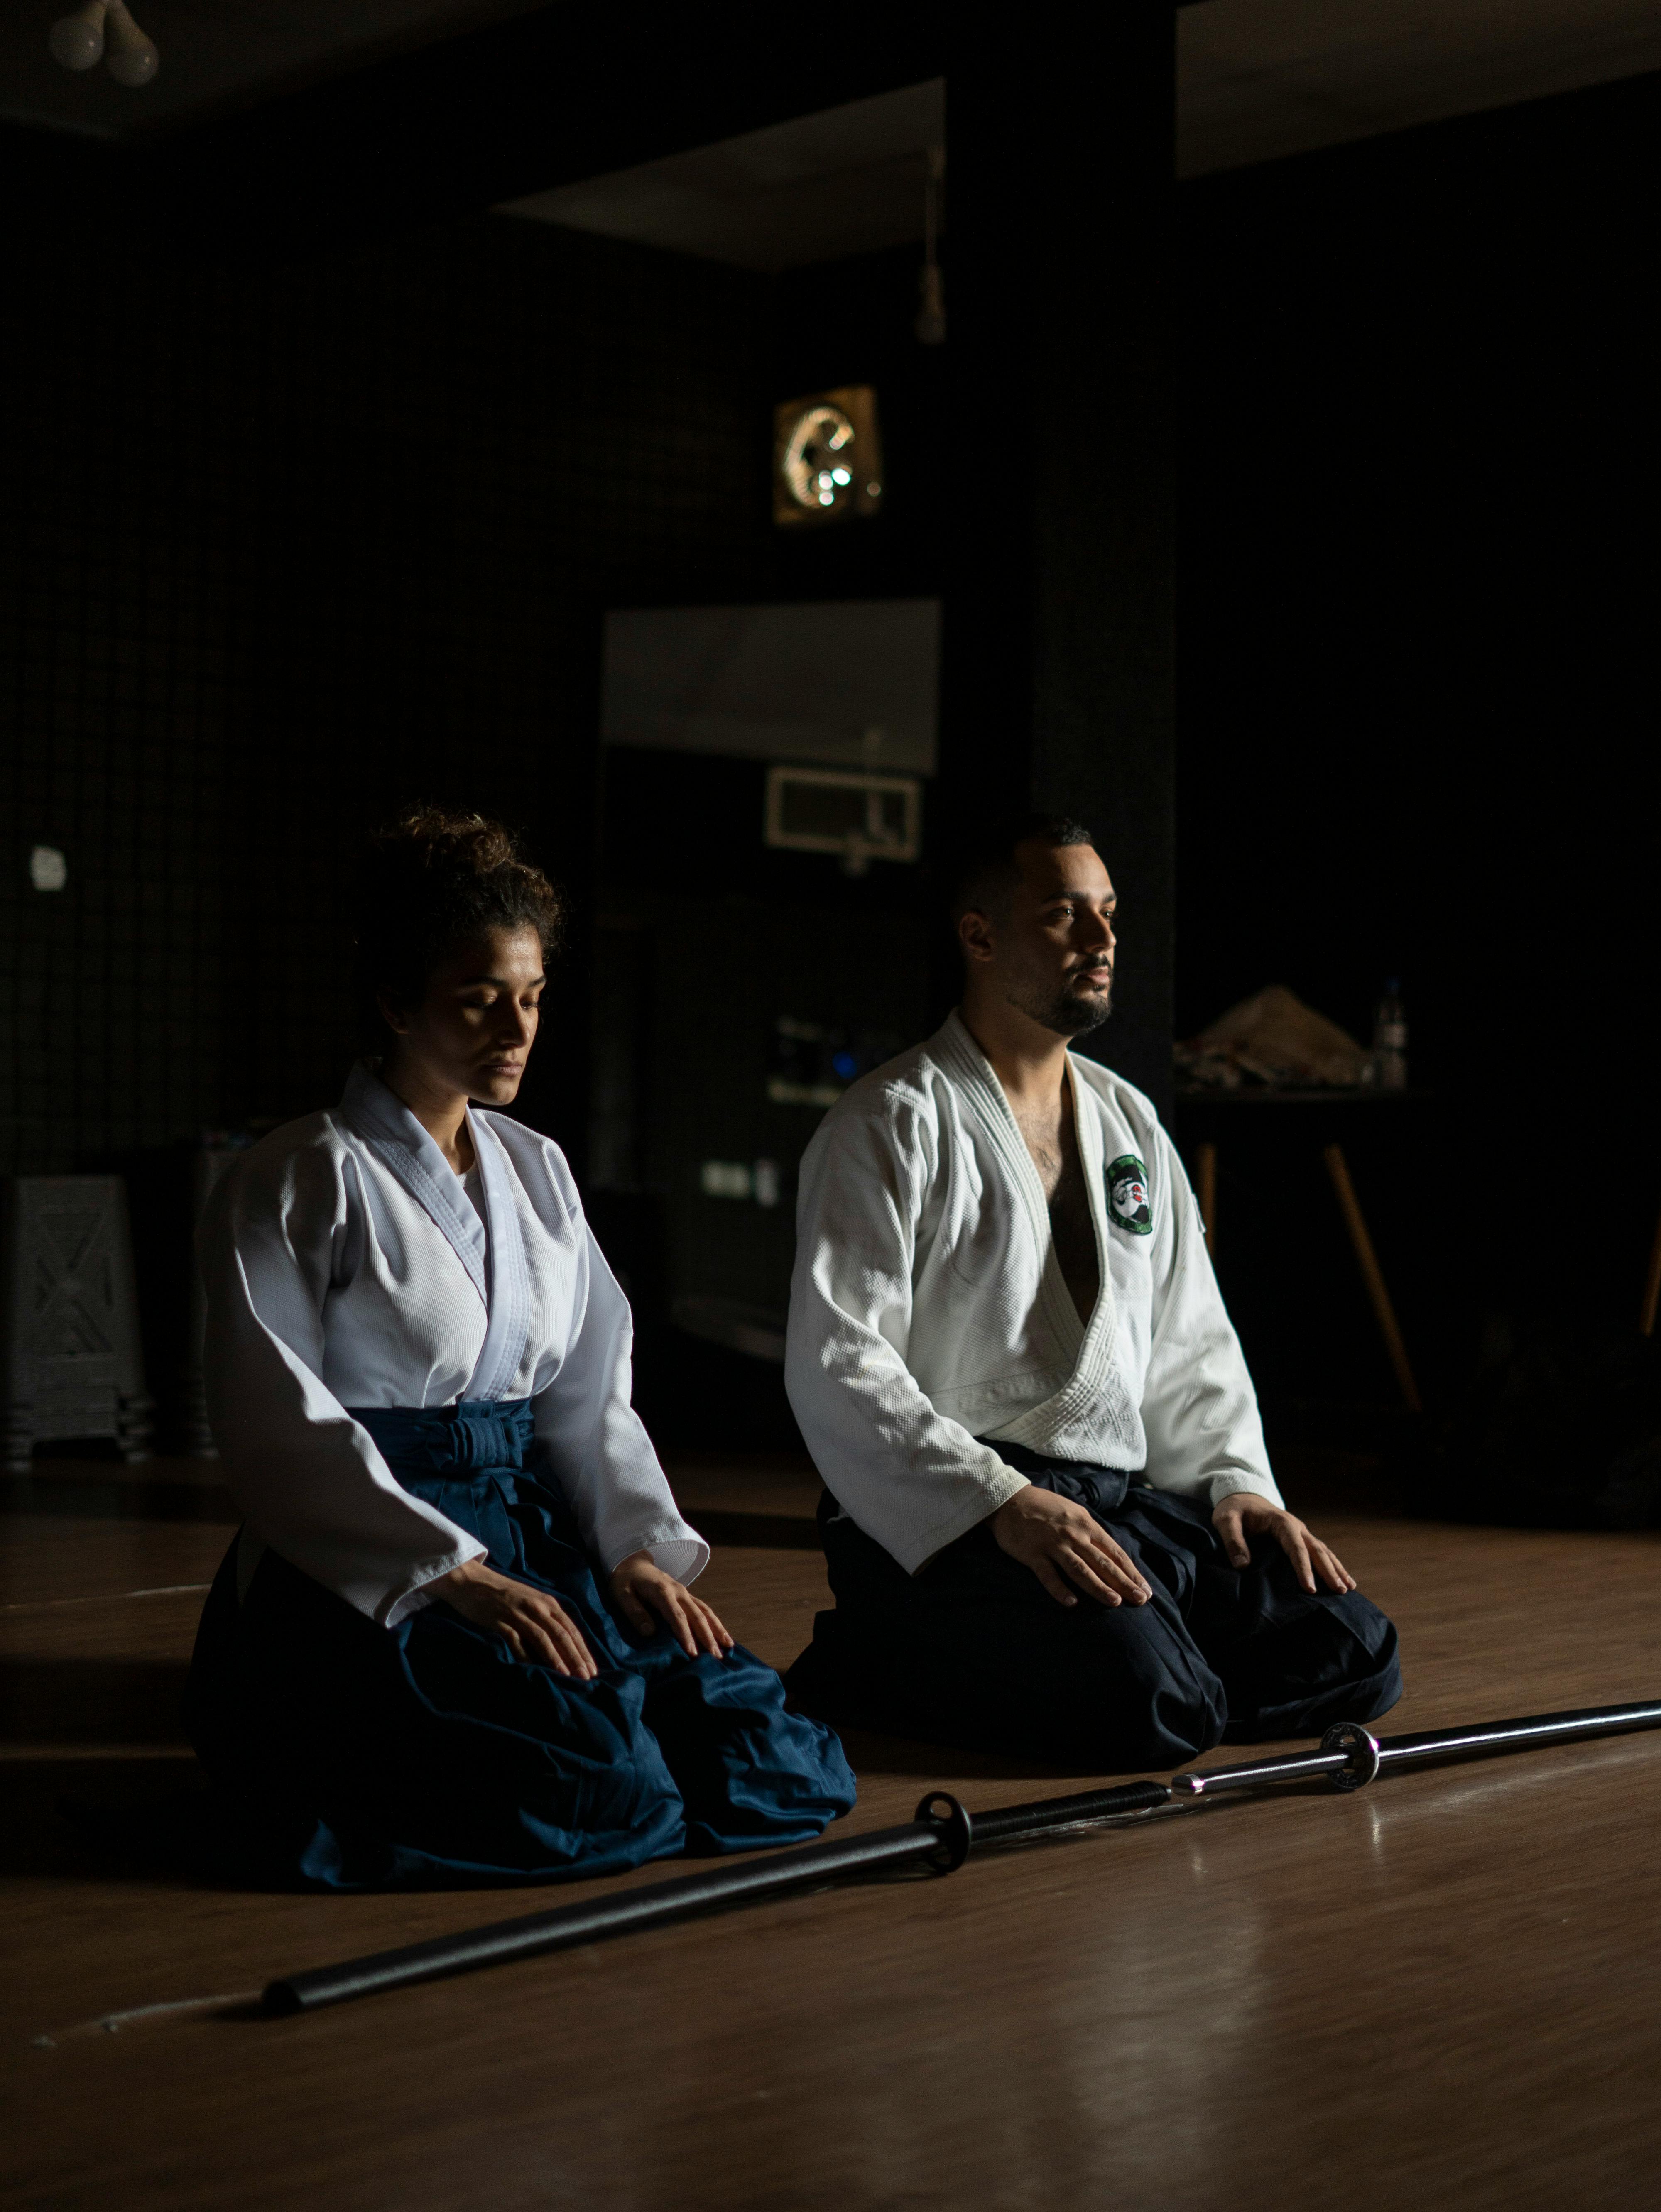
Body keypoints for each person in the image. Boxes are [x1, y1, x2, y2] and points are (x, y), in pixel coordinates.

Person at [185, 808, 854, 1887]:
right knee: (603, 1781)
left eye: (533, 997)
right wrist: (454, 1574)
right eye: (479, 997)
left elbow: (589, 1398)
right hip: (370, 1557)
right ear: (396, 1003)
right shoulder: (303, 1174)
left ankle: (621, 1729)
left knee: (761, 1752)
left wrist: (631, 1551)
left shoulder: (536, 1170)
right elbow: (275, 1427)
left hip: (534, 1528)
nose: (517, 1028)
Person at [783, 816, 1400, 1770]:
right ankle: (876, 1651)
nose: (1102, 938)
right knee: (1158, 1702)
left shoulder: (1128, 1122)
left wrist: (1236, 1484)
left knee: (1353, 1649)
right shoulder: (888, 1123)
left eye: (1107, 912)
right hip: (955, 1514)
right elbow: (839, 1361)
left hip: (1112, 1506)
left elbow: (1190, 1338)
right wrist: (996, 1500)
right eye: (1063, 915)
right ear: (979, 936)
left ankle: (1133, 1661)